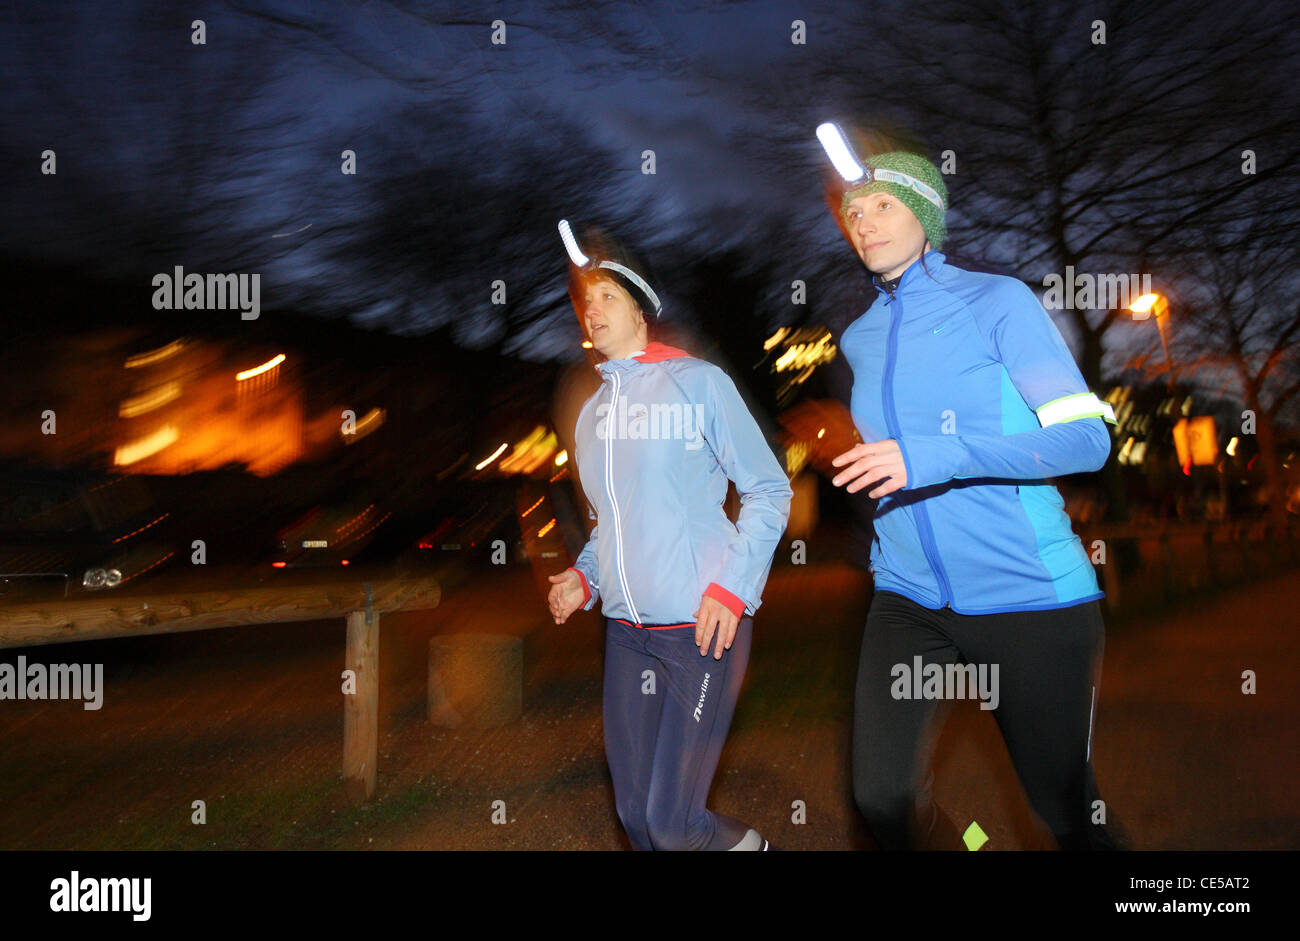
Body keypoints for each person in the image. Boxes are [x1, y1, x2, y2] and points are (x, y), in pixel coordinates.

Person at [815, 125, 1123, 850]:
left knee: (1066, 807)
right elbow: (890, 457)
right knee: (881, 798)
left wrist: (938, 455)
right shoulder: (858, 336)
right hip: (907, 595)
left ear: (924, 216)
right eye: (853, 213)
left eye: (883, 205)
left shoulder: (997, 302)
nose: (863, 222)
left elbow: (1087, 439)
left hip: (1029, 593)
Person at [546, 221, 793, 851]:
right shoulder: (593, 415)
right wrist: (584, 576)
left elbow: (769, 489)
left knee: (672, 823)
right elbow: (611, 522)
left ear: (639, 305)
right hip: (627, 637)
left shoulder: (699, 383)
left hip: (699, 628)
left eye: (607, 295)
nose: (592, 309)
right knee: (635, 819)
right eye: (585, 299)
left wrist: (732, 590)